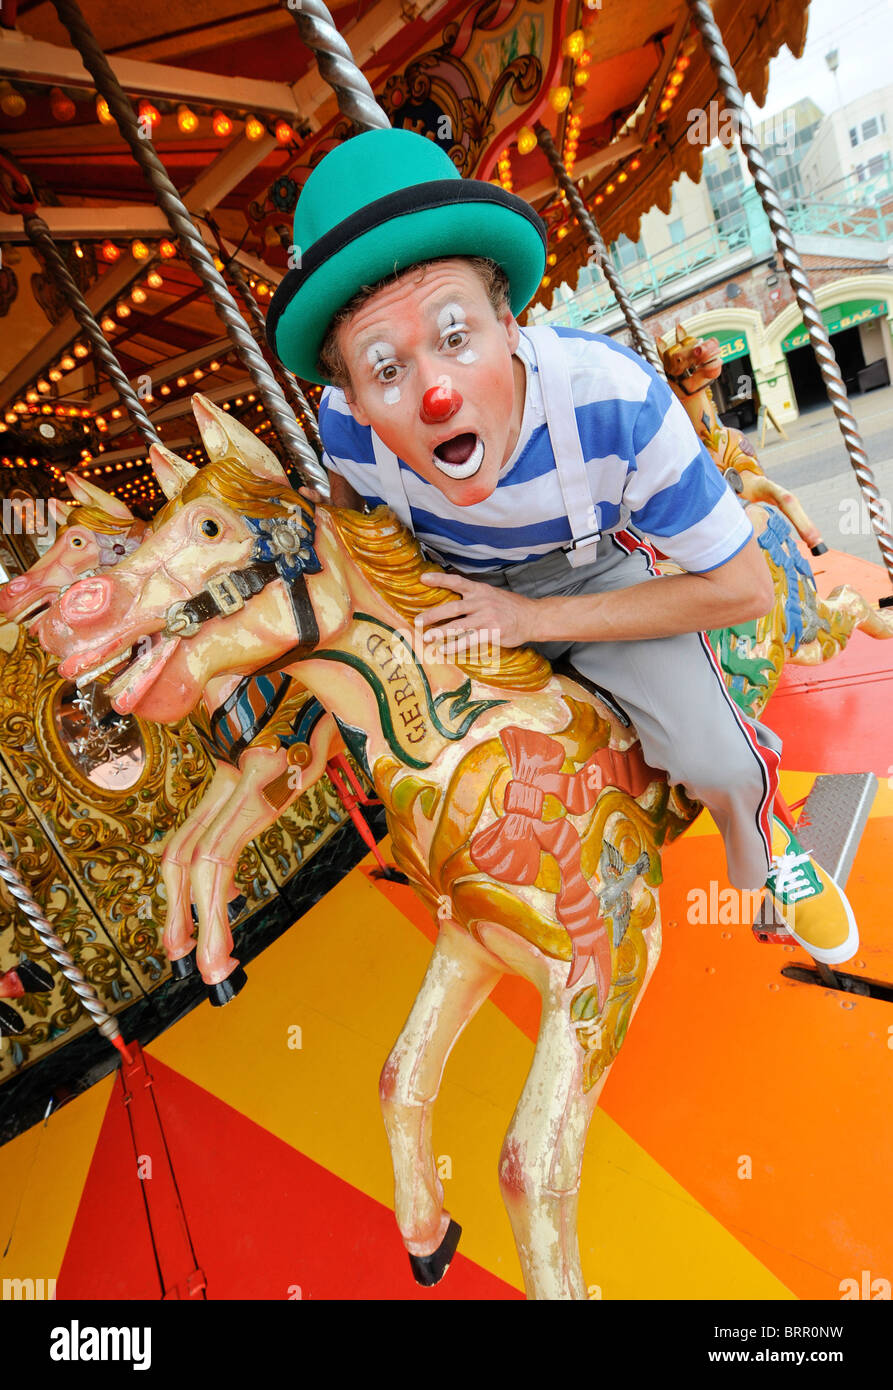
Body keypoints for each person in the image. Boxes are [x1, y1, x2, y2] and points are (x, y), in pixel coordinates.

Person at [266, 126, 857, 966]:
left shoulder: (609, 398)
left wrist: (529, 617)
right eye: (385, 369)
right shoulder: (346, 439)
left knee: (706, 753)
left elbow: (743, 589)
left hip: (592, 572)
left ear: (507, 322)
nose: (434, 393)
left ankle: (764, 848)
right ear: (354, 397)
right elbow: (355, 535)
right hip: (454, 594)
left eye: (455, 335)